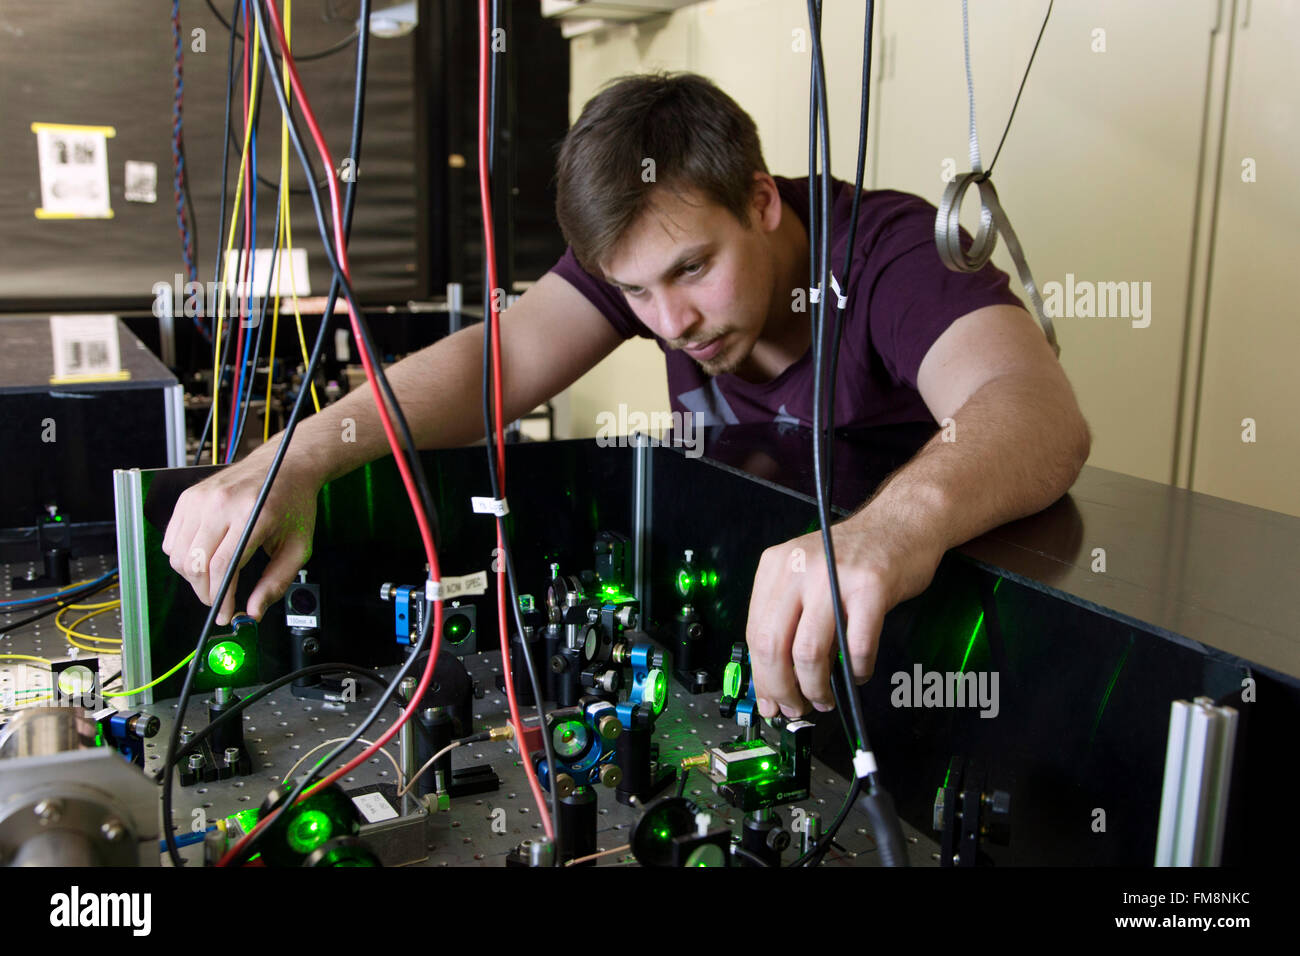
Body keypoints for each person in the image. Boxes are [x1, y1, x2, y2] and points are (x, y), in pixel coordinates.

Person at [163, 71, 1090, 724]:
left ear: (762, 200)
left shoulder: (885, 252)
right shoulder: (651, 260)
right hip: (747, 649)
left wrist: (887, 527)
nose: (671, 319)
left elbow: (1036, 410)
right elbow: (499, 362)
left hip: (922, 661)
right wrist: (298, 456)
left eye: (694, 270)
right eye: (635, 292)